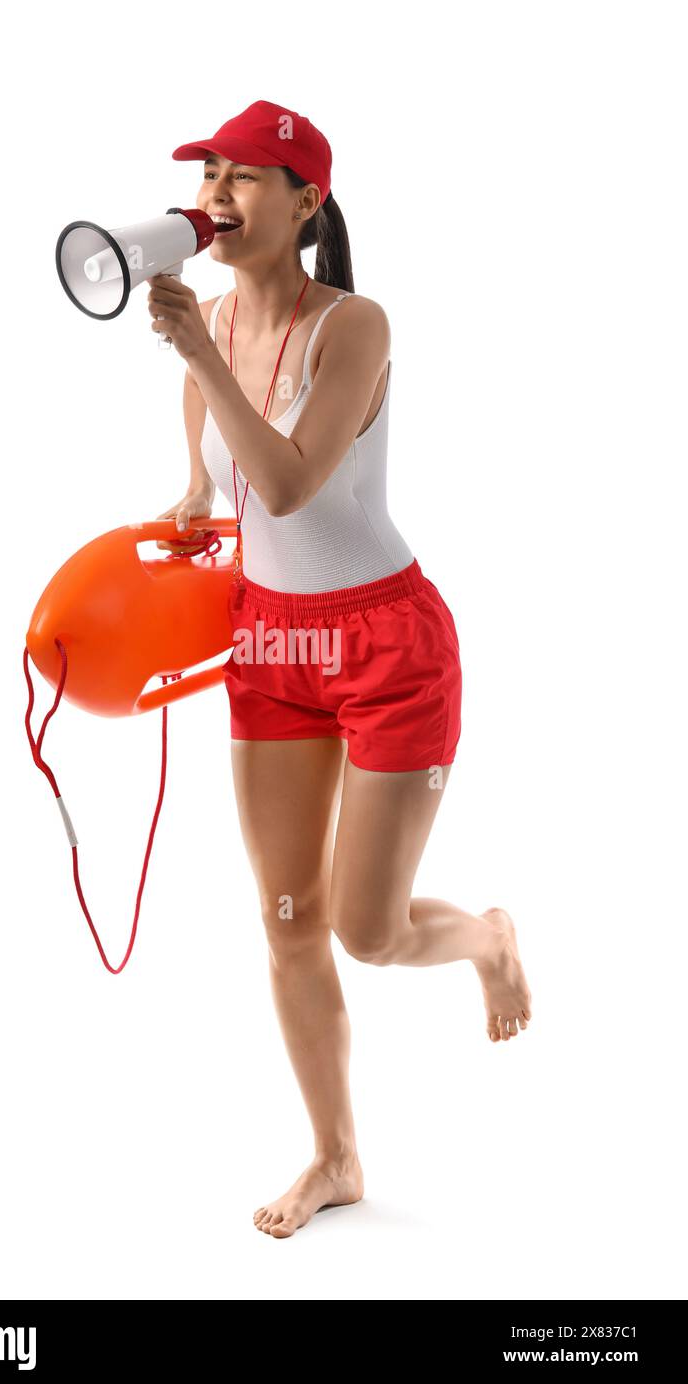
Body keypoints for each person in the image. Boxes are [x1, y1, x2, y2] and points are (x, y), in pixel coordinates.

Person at [148, 100, 532, 1239]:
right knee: (286, 918)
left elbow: (295, 483)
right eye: (207, 171)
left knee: (366, 932)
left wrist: (201, 352)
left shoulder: (352, 325)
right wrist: (175, 523)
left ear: (306, 202)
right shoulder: (204, 332)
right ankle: (334, 1157)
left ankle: (483, 935)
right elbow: (220, 495)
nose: (216, 192)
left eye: (246, 176)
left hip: (386, 647)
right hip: (272, 646)